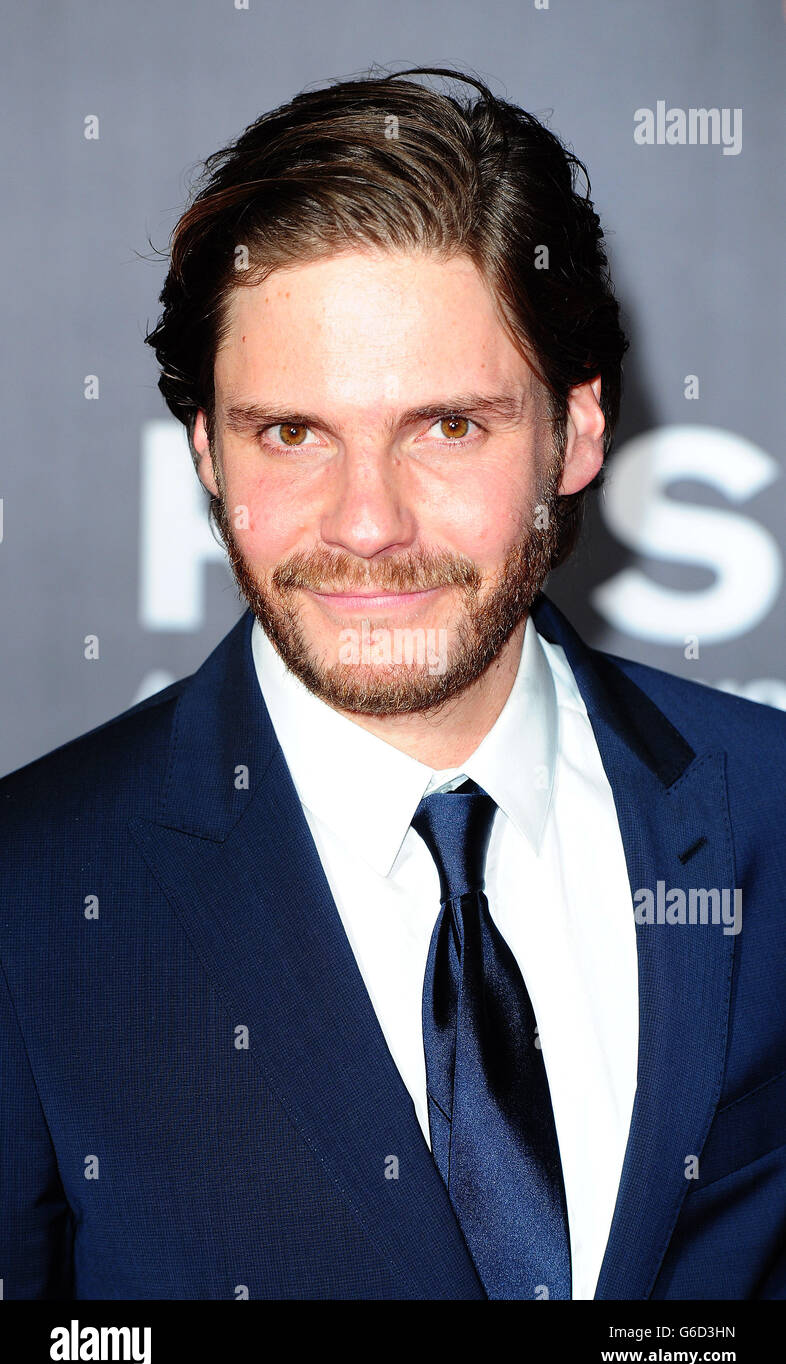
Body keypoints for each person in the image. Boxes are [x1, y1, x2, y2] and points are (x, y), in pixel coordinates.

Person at [1, 68, 784, 1301]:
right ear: (205, 448)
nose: (367, 524)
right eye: (291, 433)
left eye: (448, 427)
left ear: (576, 433)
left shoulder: (769, 816)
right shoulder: (33, 897)